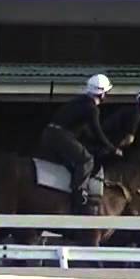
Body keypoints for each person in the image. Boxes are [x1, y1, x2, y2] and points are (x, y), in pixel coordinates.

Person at [35, 73, 121, 213]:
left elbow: (86, 132)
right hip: (60, 136)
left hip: (49, 133)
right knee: (86, 159)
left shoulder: (79, 101)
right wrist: (112, 148)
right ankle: (79, 194)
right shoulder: (92, 109)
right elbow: (97, 132)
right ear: (102, 94)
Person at [102, 86, 140, 152]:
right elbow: (129, 140)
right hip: (103, 145)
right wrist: (115, 149)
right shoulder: (134, 115)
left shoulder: (138, 115)